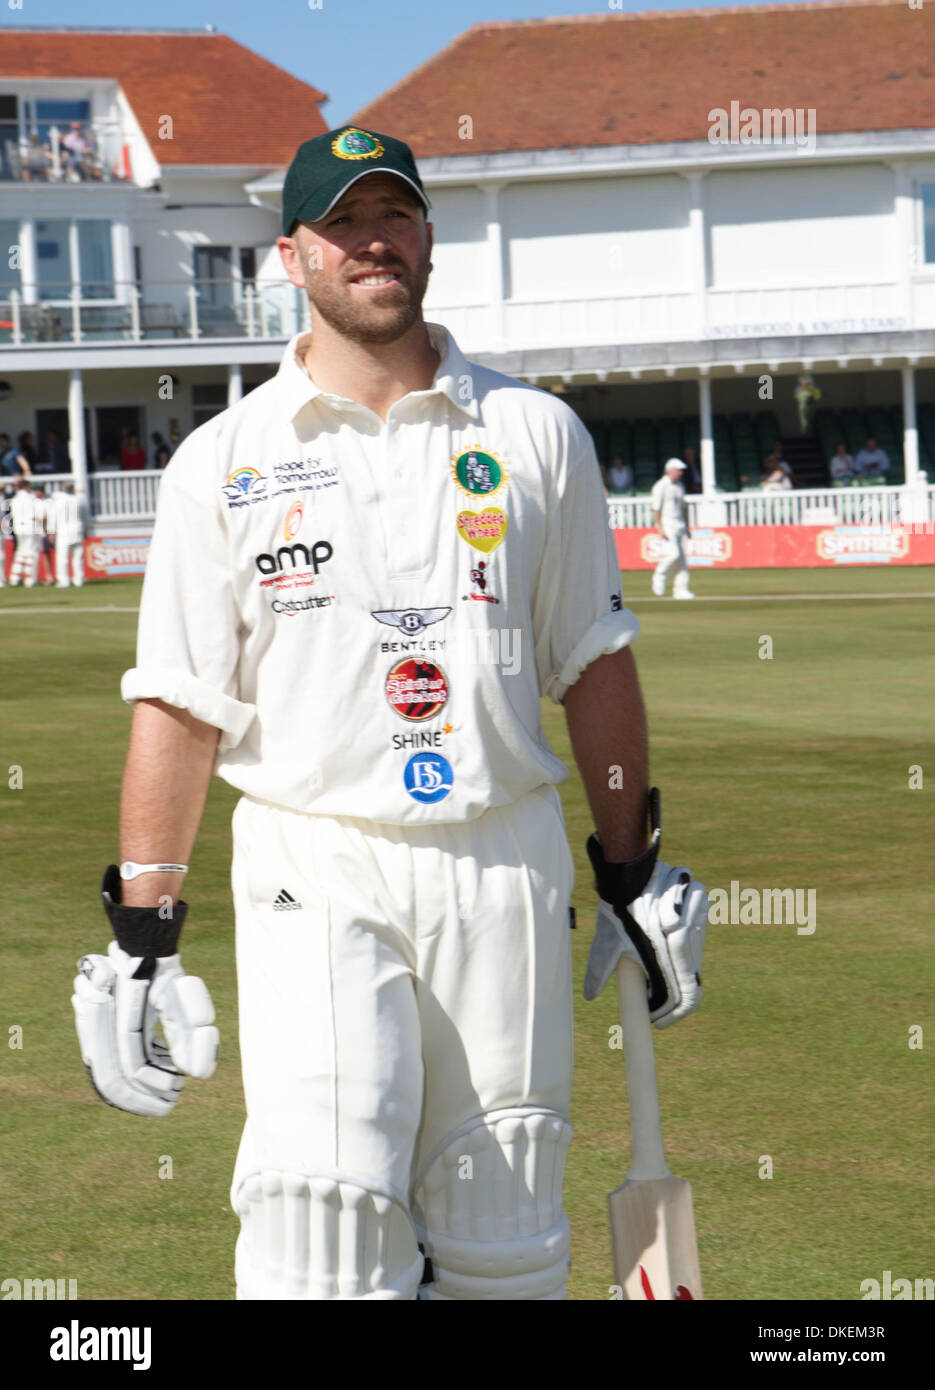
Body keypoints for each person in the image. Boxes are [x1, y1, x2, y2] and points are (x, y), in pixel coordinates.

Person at [72, 125, 709, 1303]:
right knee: (323, 1226)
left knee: (503, 1222)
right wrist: (141, 931)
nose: (375, 240)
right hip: (310, 859)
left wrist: (632, 871)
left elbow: (594, 662)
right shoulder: (221, 461)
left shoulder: (532, 433)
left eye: (396, 216)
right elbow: (179, 699)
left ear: (426, 237)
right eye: (344, 223)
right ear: (292, 254)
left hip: (499, 855)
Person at [650, 458, 694, 599]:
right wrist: (659, 527)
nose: (681, 472)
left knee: (682, 560)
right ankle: (660, 575)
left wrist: (687, 526)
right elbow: (656, 508)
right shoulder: (660, 486)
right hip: (667, 524)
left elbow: (683, 508)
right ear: (670, 470)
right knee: (673, 554)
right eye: (678, 470)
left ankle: (681, 590)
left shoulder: (680, 486)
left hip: (680, 525)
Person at [50, 482, 88, 587]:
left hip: (63, 531)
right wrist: (86, 529)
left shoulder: (58, 501)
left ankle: (64, 580)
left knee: (63, 557)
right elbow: (86, 517)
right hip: (77, 530)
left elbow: (53, 517)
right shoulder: (79, 500)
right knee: (78, 556)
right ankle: (79, 579)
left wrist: (51, 532)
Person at [8, 477, 40, 587]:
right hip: (29, 527)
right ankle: (29, 579)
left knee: (20, 552)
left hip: (18, 528)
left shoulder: (14, 499)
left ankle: (14, 578)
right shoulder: (30, 498)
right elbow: (35, 515)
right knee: (31, 553)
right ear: (26, 486)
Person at [32, 484, 55, 585]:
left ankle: (53, 575)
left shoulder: (49, 502)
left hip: (48, 530)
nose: (36, 493)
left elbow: (50, 515)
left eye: (38, 491)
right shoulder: (33, 502)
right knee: (41, 554)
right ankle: (45, 576)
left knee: (50, 553)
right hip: (37, 531)